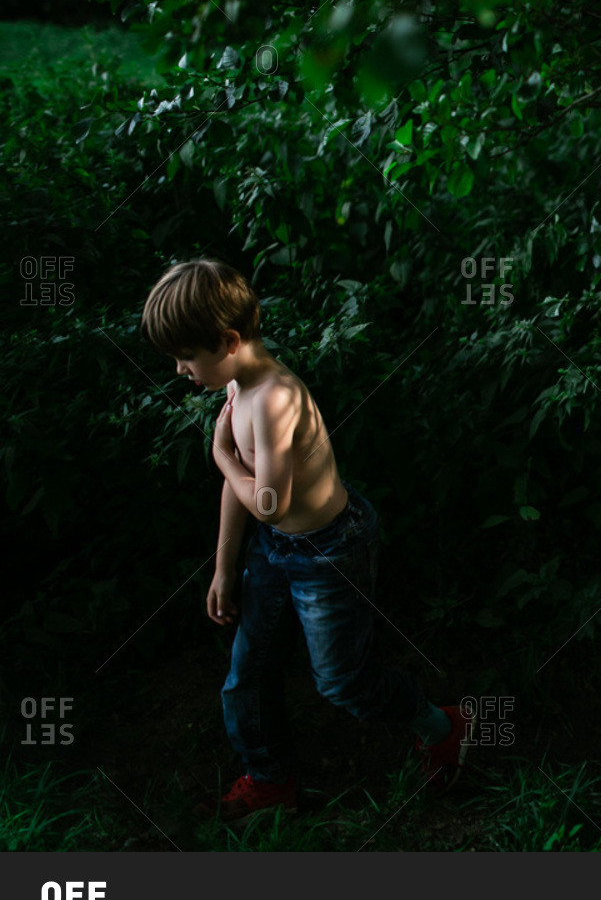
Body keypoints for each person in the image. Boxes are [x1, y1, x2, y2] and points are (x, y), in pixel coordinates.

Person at [138, 257, 469, 825]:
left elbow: (270, 501)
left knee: (342, 682)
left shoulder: (273, 398)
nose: (178, 369)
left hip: (329, 552)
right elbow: (242, 493)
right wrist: (223, 568)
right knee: (246, 672)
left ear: (228, 339)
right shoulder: (238, 388)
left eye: (186, 356)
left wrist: (219, 454)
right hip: (274, 549)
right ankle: (269, 779)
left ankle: (442, 728)